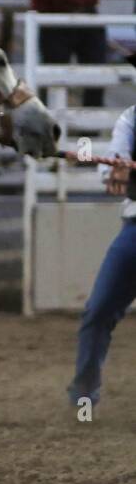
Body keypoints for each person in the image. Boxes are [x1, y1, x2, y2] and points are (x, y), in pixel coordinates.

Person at [71, 104, 136, 410]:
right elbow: (108, 167)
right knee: (98, 311)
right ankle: (83, 392)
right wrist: (117, 166)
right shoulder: (132, 117)